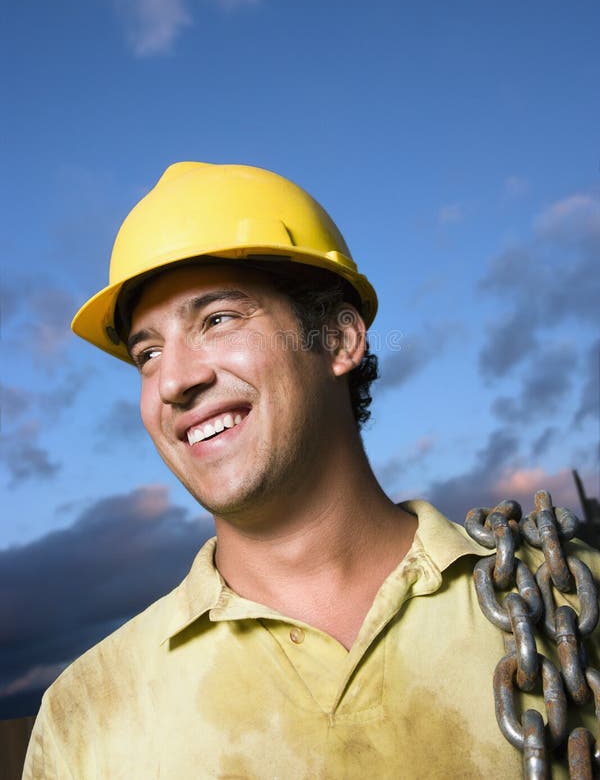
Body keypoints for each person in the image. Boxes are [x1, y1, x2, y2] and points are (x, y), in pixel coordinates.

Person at [23, 163, 599, 778]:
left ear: (339, 340)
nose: (173, 381)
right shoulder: (83, 716)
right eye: (148, 353)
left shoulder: (567, 597)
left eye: (218, 319)